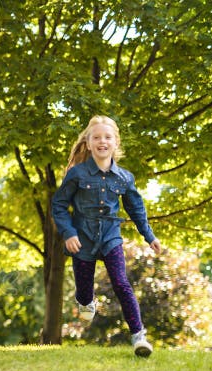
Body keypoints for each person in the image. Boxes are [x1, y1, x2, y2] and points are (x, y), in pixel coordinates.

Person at [51, 115, 162, 357]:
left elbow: (136, 209)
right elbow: (59, 205)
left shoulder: (124, 178)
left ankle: (139, 337)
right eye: (97, 137)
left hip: (111, 237)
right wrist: (68, 233)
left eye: (108, 137)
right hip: (83, 239)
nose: (103, 141)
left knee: (121, 283)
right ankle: (85, 301)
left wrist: (149, 236)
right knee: (83, 289)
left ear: (116, 143)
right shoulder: (77, 174)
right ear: (88, 143)